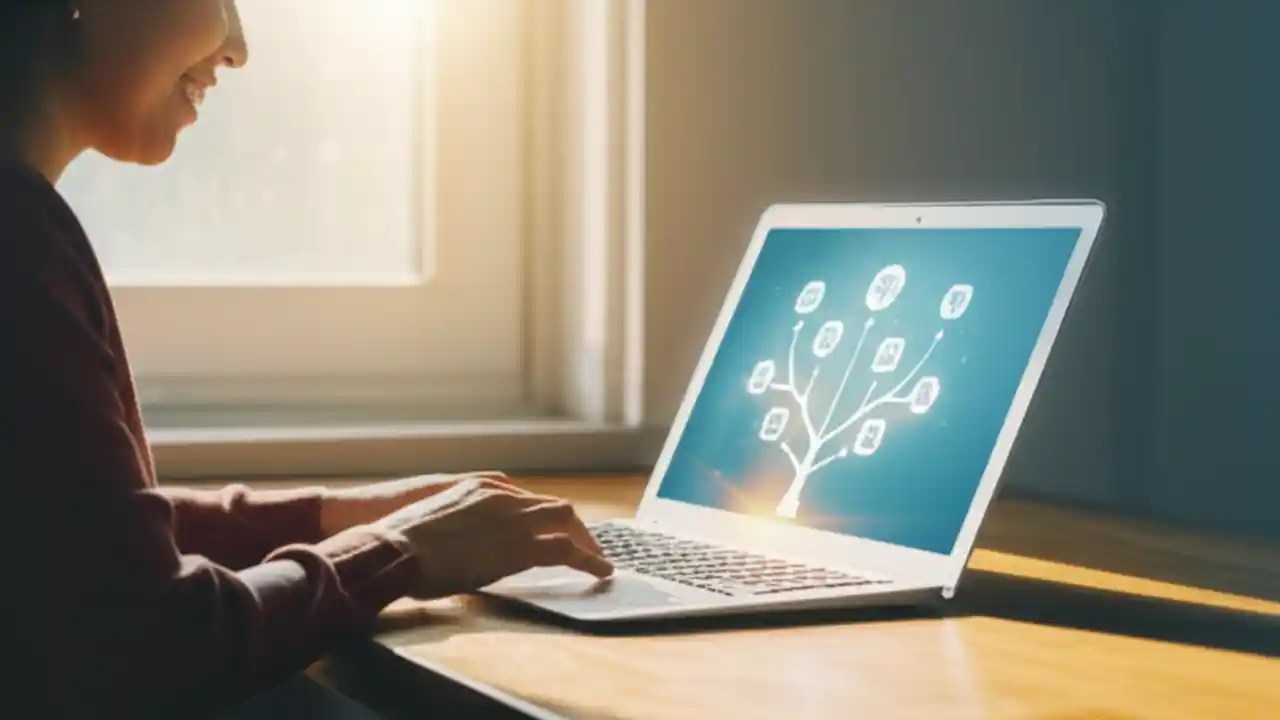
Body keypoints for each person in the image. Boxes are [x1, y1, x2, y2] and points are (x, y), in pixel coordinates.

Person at [0, 1, 612, 716]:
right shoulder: (17, 239)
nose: (237, 49)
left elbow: (66, 536)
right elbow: (145, 641)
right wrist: (397, 551)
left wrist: (330, 516)